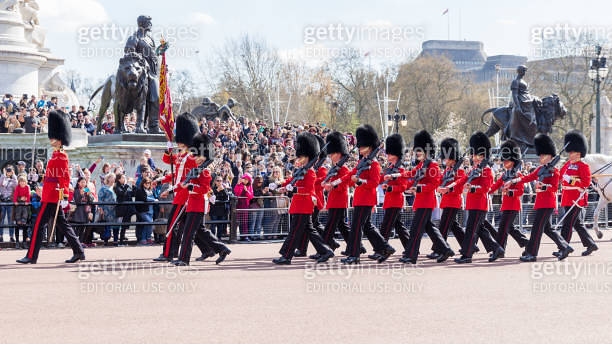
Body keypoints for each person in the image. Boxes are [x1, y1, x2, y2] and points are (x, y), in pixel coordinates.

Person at [17, 110, 85, 264]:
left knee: (38, 225)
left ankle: (31, 256)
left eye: (53, 137)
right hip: (49, 194)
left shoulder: (61, 156)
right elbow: (51, 176)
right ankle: (79, 251)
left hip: (52, 196)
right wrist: (38, 178)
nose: (51, 139)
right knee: (63, 225)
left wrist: (65, 197)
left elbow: (64, 178)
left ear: (60, 140)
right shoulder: (55, 155)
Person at [505, 134, 574, 262]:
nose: (541, 157)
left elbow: (554, 188)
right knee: (547, 229)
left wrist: (543, 186)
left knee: (536, 229)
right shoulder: (540, 169)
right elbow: (528, 177)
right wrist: (513, 181)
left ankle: (531, 253)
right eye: (541, 155)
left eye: (543, 155)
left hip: (547, 203)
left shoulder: (554, 171)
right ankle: (565, 247)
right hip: (541, 203)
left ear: (550, 156)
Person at [272, 133, 334, 265]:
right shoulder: (301, 170)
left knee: (294, 231)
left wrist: (292, 189)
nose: (299, 158)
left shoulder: (310, 171)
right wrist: (280, 184)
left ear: (308, 157)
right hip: (299, 204)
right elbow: (291, 180)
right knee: (310, 230)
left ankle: (286, 256)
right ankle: (326, 251)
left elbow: (309, 189)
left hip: (304, 205)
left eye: (301, 156)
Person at [173, 133, 231, 266]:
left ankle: (184, 259)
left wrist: (190, 186)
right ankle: (222, 249)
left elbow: (204, 189)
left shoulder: (204, 171)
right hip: (192, 203)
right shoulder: (195, 169)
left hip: (198, 204)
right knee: (201, 231)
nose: (196, 158)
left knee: (188, 233)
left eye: (198, 156)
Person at [399, 130, 455, 264]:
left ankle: (411, 255)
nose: (417, 153)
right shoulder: (421, 165)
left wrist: (418, 188)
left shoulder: (433, 165)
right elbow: (411, 175)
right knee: (429, 227)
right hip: (421, 201)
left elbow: (434, 183)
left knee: (416, 229)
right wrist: (396, 176)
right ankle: (445, 249)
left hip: (427, 201)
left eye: (420, 151)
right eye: (416, 151)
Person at [339, 124, 390, 264]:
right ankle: (385, 247)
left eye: (362, 146)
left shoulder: (374, 164)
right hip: (360, 198)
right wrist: (338, 181)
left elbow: (374, 183)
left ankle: (354, 255)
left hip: (366, 199)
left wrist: (359, 180)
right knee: (367, 226)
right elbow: (351, 174)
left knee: (356, 227)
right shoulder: (362, 162)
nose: (360, 149)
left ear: (369, 147)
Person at [153, 113, 200, 262]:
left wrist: (172, 189)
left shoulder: (192, 157)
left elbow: (189, 178)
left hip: (185, 195)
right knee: (188, 228)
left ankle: (168, 253)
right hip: (179, 194)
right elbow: (168, 161)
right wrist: (168, 146)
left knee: (173, 225)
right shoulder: (181, 155)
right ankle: (213, 248)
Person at [453, 132, 505, 264]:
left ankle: (467, 255)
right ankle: (497, 249)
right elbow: (463, 179)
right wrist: (450, 186)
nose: (472, 157)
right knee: (480, 230)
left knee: (471, 229)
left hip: (480, 204)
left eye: (475, 154)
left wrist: (472, 188)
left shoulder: (487, 170)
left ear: (481, 156)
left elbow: (486, 188)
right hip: (473, 203)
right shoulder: (474, 169)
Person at [557, 130, 598, 257]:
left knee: (568, 224)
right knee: (577, 224)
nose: (569, 154)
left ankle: (563, 247)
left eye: (572, 152)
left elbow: (586, 184)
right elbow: (560, 175)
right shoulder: (568, 164)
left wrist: (571, 180)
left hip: (576, 199)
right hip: (567, 197)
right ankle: (590, 244)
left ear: (578, 153)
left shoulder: (583, 166)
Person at [426, 138, 466, 260]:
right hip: (447, 201)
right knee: (453, 226)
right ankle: (468, 245)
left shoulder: (459, 171)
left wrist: (447, 189)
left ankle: (439, 250)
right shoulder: (448, 170)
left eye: (446, 158)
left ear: (452, 158)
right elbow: (440, 181)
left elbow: (459, 189)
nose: (444, 160)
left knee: (443, 226)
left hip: (453, 202)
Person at [488, 140, 530, 251]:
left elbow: (520, 191)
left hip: (513, 205)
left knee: (503, 228)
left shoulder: (518, 174)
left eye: (507, 160)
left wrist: (509, 192)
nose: (504, 162)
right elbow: (496, 185)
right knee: (510, 228)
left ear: (513, 161)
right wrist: (487, 191)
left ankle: (499, 249)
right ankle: (527, 243)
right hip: (506, 205)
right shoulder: (505, 174)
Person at [377, 134, 409, 262]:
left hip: (395, 201)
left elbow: (403, 186)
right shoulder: (389, 168)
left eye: (389, 154)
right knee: (399, 227)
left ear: (395, 154)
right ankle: (411, 248)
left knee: (385, 227)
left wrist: (389, 188)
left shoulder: (400, 169)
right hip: (389, 201)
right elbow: (379, 180)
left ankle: (383, 250)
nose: (387, 156)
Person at [320, 132, 353, 255]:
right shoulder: (333, 168)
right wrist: (326, 183)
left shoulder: (343, 169)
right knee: (342, 226)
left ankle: (323, 249)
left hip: (339, 200)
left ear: (339, 154)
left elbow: (347, 184)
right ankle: (356, 246)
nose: (330, 155)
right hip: (333, 199)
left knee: (330, 227)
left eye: (333, 153)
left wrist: (332, 186)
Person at [98, 173, 118, 246]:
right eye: (112, 177)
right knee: (107, 225)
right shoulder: (103, 188)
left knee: (116, 225)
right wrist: (101, 209)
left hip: (115, 209)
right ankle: (105, 240)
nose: (114, 179)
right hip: (106, 209)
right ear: (108, 179)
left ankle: (116, 240)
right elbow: (100, 199)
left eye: (114, 177)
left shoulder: (115, 187)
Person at [114, 173, 134, 245]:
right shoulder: (116, 186)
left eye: (124, 178)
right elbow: (121, 194)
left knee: (125, 226)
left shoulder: (125, 186)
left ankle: (122, 241)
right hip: (121, 209)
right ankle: (117, 241)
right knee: (119, 225)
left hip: (128, 209)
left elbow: (133, 193)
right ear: (119, 179)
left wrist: (133, 185)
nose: (124, 179)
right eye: (123, 178)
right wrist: (127, 184)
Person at [135, 177, 156, 245]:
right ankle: (143, 239)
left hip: (150, 211)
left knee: (148, 225)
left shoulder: (150, 190)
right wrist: (153, 200)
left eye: (149, 183)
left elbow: (155, 197)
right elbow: (144, 198)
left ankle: (148, 238)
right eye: (146, 183)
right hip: (143, 211)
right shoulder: (140, 190)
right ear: (143, 183)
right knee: (149, 223)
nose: (147, 184)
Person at [0, 166, 17, 243]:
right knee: (1, 219)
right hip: (2, 200)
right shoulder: (2, 177)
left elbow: (16, 186)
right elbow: (1, 183)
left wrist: (13, 175)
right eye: (8, 170)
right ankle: (0, 236)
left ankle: (11, 236)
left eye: (10, 170)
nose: (8, 172)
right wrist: (4, 174)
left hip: (10, 201)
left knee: (11, 220)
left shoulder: (13, 179)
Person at [13, 175, 31, 249]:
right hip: (19, 204)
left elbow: (28, 195)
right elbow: (15, 195)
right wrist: (15, 201)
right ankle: (17, 242)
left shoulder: (27, 187)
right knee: (17, 222)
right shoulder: (17, 187)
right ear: (19, 182)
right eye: (21, 182)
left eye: (23, 181)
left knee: (25, 225)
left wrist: (27, 201)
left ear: (25, 182)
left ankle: (24, 242)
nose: (22, 183)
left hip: (25, 205)